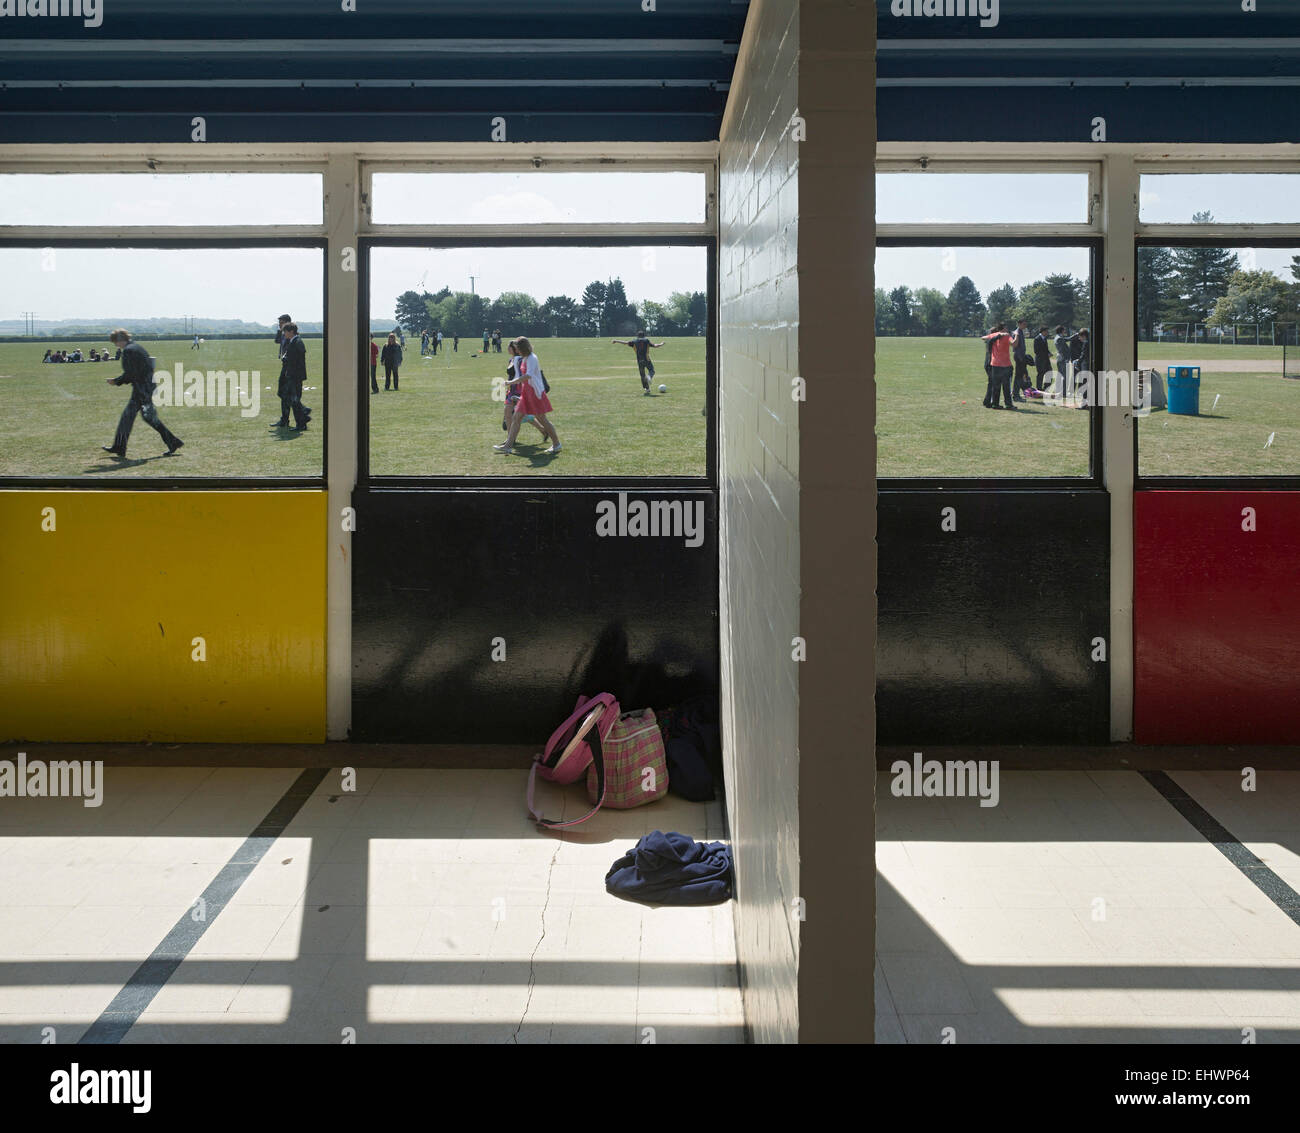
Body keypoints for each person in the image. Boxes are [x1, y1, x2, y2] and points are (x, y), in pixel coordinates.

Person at [102, 328, 183, 458]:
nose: (116, 345)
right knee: (147, 418)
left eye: (115, 342)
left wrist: (116, 381)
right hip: (146, 387)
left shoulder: (129, 351)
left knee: (129, 417)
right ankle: (173, 442)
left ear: (120, 340)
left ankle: (119, 447)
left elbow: (131, 373)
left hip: (141, 389)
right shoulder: (137, 347)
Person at [495, 336, 561, 455]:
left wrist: (511, 382)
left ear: (522, 348)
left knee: (543, 419)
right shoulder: (525, 358)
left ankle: (556, 444)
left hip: (535, 393)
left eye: (518, 348)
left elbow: (528, 375)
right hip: (526, 393)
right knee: (516, 418)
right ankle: (508, 446)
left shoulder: (532, 358)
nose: (517, 351)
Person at [500, 342, 548, 439]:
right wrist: (508, 385)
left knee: (519, 414)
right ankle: (510, 440)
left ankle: (544, 430)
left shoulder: (521, 359)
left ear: (514, 349)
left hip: (519, 389)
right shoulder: (511, 360)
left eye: (510, 347)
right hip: (512, 389)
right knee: (511, 412)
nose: (508, 348)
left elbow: (523, 375)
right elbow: (511, 374)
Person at [275, 322, 311, 430]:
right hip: (292, 375)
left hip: (295, 376)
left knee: (294, 399)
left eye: (285, 331)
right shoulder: (293, 341)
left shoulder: (297, 341)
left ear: (291, 331)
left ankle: (302, 419)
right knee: (291, 398)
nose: (284, 334)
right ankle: (303, 418)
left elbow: (297, 359)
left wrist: (287, 359)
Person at [981, 324, 1015, 410]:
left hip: (994, 364)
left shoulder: (994, 335)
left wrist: (997, 335)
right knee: (1006, 385)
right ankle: (1008, 404)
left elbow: (983, 337)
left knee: (995, 385)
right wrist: (1016, 335)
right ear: (1004, 329)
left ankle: (994, 404)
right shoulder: (1007, 336)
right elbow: (1014, 344)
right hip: (1004, 364)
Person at [1011, 318, 1032, 402]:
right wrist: (1021, 358)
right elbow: (1015, 346)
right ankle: (1016, 395)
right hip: (1019, 356)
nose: (1025, 325)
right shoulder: (1016, 332)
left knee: (1021, 375)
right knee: (1018, 376)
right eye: (1023, 324)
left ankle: (1019, 392)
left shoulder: (1020, 331)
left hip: (1021, 356)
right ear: (1019, 324)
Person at [1033, 326, 1053, 391]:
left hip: (1046, 360)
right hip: (1040, 360)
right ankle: (1039, 388)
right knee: (1041, 374)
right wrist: (1046, 355)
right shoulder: (1037, 339)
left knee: (1049, 373)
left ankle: (1046, 387)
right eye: (1046, 331)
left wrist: (1049, 353)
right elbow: (1036, 351)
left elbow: (1046, 349)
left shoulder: (1045, 338)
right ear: (1043, 331)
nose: (1047, 332)